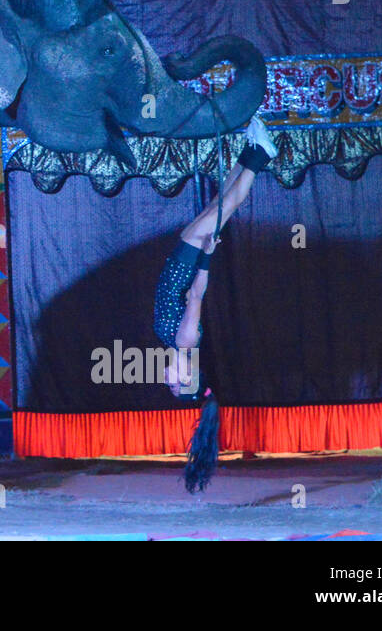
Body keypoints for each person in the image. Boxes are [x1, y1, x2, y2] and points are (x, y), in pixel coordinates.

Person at [153, 115, 277, 492]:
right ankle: (261, 157)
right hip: (185, 266)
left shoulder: (173, 345)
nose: (169, 382)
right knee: (225, 208)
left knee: (217, 205)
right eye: (176, 386)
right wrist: (206, 254)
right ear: (188, 377)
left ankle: (252, 150)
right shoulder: (187, 342)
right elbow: (195, 296)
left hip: (179, 265)